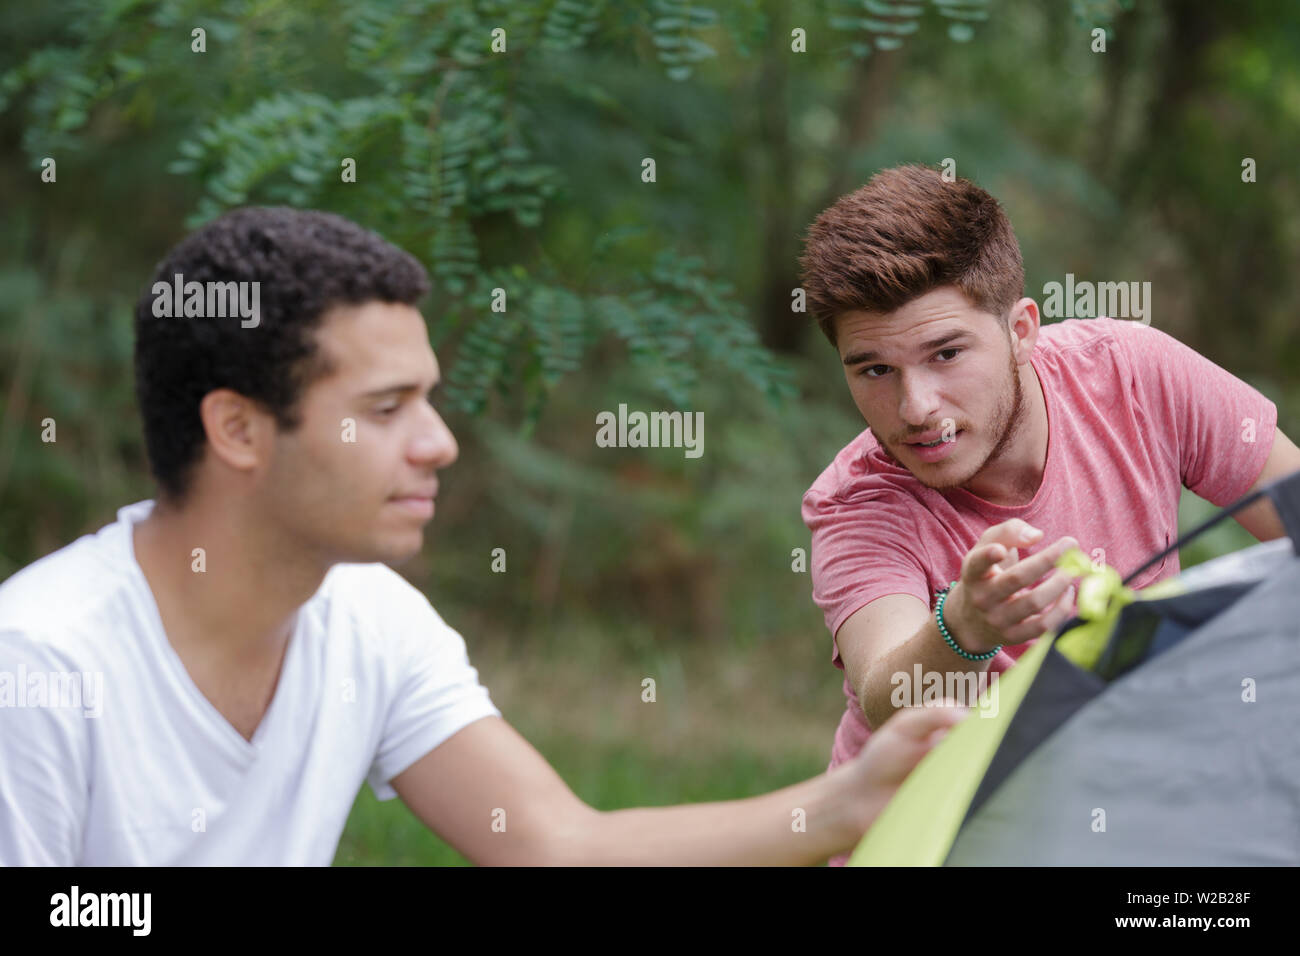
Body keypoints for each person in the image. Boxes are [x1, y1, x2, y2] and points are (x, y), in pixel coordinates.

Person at [0, 206, 964, 866]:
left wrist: (845, 804)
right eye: (385, 409)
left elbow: (552, 844)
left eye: (428, 399)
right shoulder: (37, 666)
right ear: (238, 429)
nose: (439, 443)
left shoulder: (366, 621)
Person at [797, 163, 1300, 866]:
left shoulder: (1133, 374)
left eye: (946, 353)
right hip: (941, 840)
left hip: (1132, 818)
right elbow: (889, 694)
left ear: (1022, 329)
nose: (916, 408)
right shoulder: (857, 500)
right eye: (874, 370)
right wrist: (967, 625)